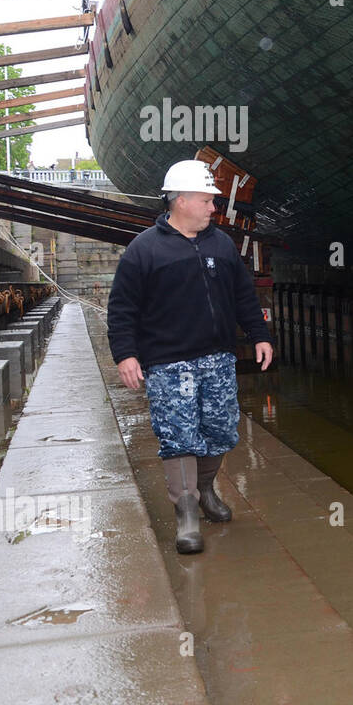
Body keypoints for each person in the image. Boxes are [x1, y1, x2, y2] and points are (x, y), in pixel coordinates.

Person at [107, 159, 274, 553]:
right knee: (178, 436)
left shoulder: (221, 246)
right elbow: (122, 309)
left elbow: (243, 296)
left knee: (220, 429)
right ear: (180, 200)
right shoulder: (144, 251)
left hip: (217, 358)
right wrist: (126, 354)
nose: (213, 208)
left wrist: (259, 335)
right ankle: (186, 515)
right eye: (206, 200)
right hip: (168, 363)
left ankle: (205, 490)